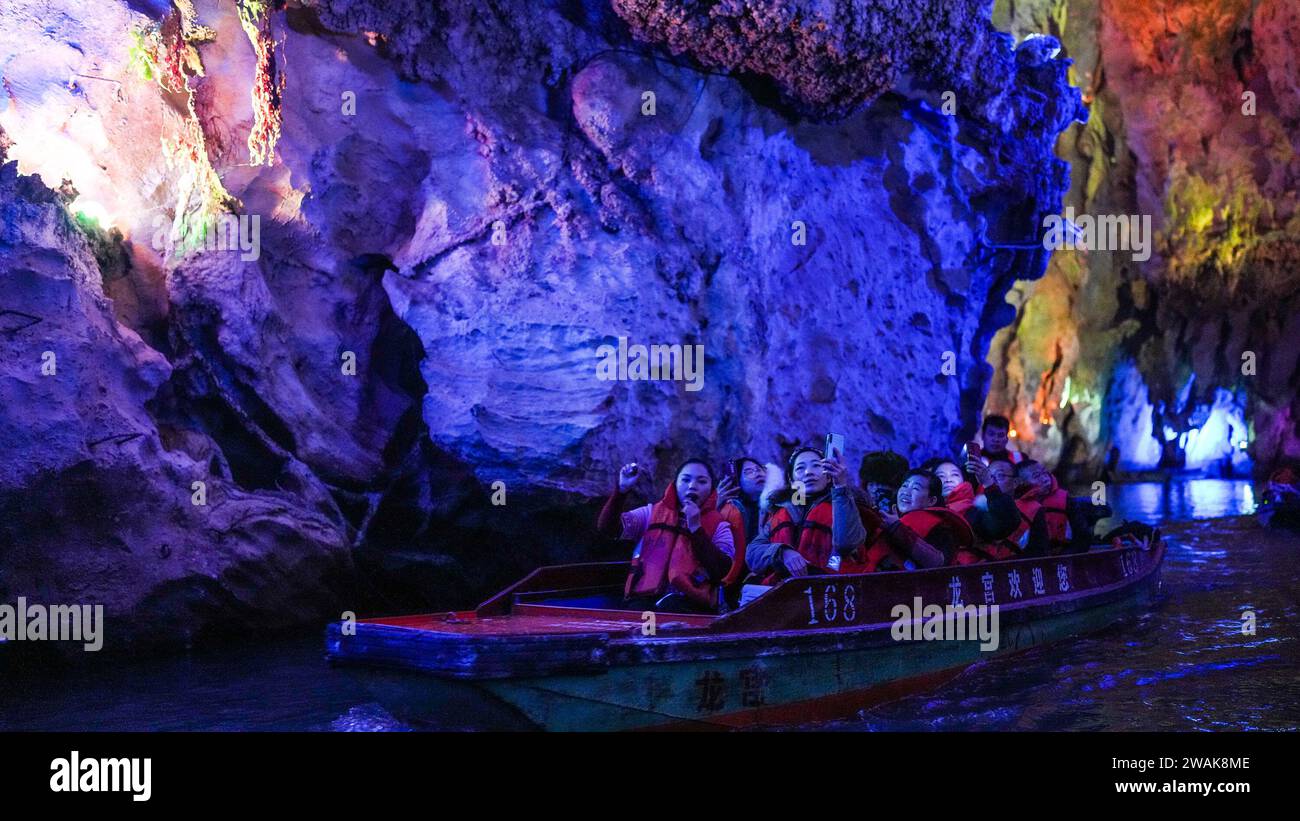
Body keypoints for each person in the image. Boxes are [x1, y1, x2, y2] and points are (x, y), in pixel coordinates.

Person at [596, 458, 735, 612]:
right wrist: (621, 491)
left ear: (711, 489)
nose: (692, 486)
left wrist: (696, 528)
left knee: (674, 609)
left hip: (690, 608)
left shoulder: (720, 526)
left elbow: (721, 569)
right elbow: (608, 529)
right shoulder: (651, 513)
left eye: (701, 482)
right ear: (675, 484)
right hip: (643, 604)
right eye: (685, 480)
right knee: (642, 621)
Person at [746, 446, 867, 580]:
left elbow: (846, 543)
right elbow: (752, 554)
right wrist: (781, 552)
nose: (808, 472)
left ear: (828, 477)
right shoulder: (780, 512)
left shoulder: (845, 506)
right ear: (792, 481)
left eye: (816, 465)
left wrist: (840, 487)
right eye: (800, 468)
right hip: (784, 593)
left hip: (831, 591)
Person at [847, 469, 973, 571]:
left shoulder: (941, 527)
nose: (906, 492)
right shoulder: (887, 519)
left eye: (916, 488)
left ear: (931, 501)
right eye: (905, 485)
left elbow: (938, 563)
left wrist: (896, 528)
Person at [1013, 459, 1073, 556]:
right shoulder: (1014, 507)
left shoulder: (1065, 499)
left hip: (1063, 555)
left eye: (1045, 473)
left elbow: (1082, 538)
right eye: (1036, 476)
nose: (1045, 479)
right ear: (1021, 483)